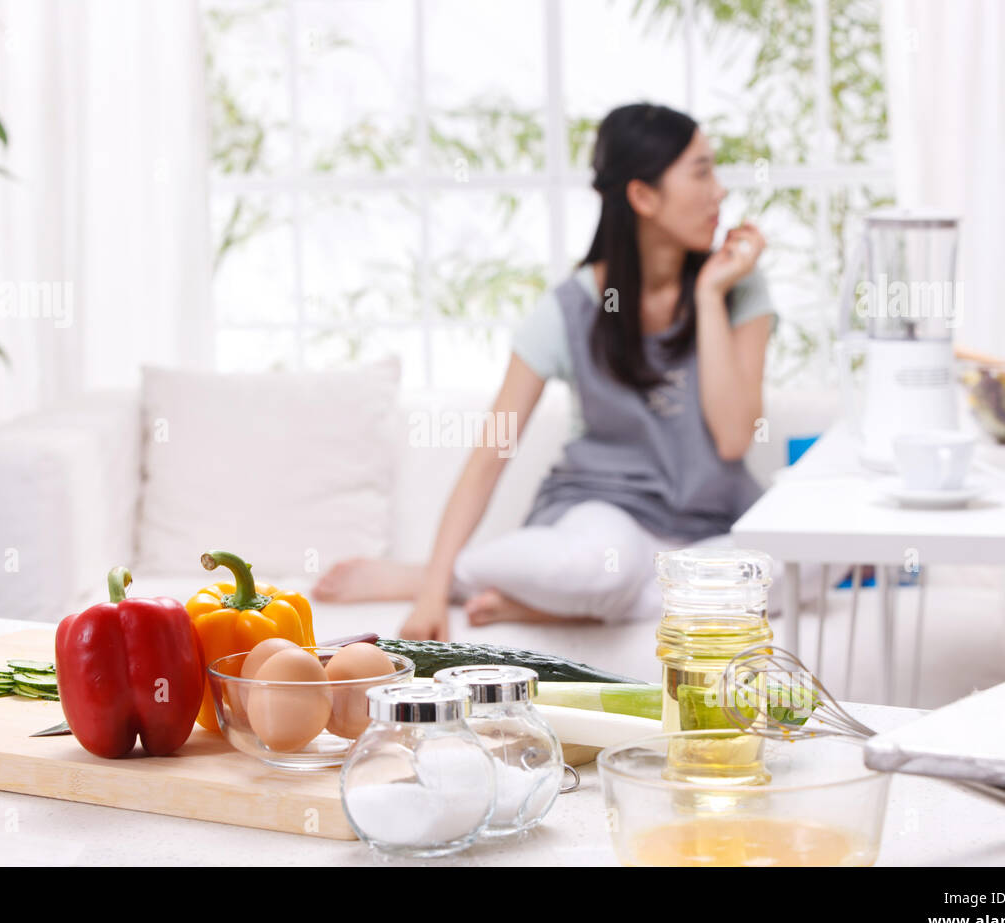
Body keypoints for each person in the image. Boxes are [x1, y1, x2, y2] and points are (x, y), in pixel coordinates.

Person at [314, 103, 778, 641]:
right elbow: (490, 455)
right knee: (605, 567)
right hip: (608, 518)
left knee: (803, 567)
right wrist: (432, 593)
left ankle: (560, 604)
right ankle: (452, 577)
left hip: (710, 529)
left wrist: (710, 295)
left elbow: (732, 437)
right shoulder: (570, 310)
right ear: (643, 196)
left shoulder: (737, 287)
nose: (719, 190)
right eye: (701, 171)